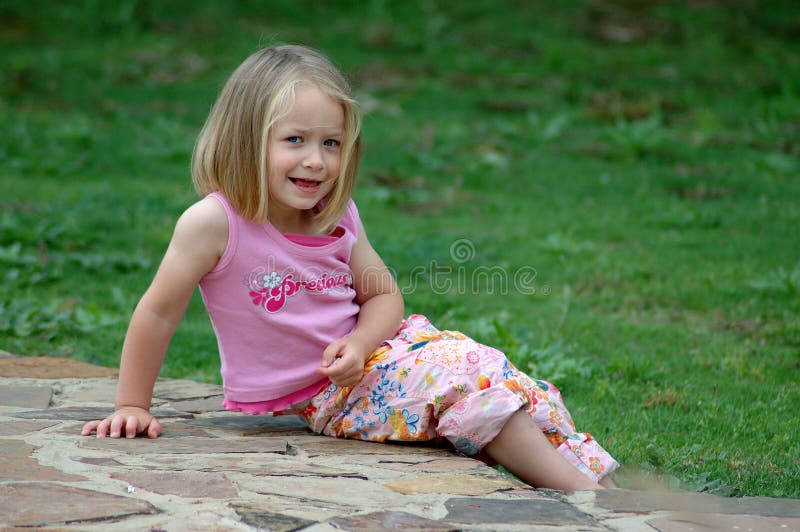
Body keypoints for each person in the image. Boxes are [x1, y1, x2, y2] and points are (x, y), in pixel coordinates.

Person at [81, 44, 618, 491]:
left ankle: (601, 483)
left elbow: (384, 296)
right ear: (246, 140)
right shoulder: (214, 224)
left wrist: (360, 344)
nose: (316, 160)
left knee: (497, 373)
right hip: (330, 394)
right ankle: (583, 496)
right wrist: (132, 404)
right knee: (466, 382)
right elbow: (157, 313)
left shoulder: (334, 215)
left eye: (331, 143)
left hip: (376, 357)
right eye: (295, 140)